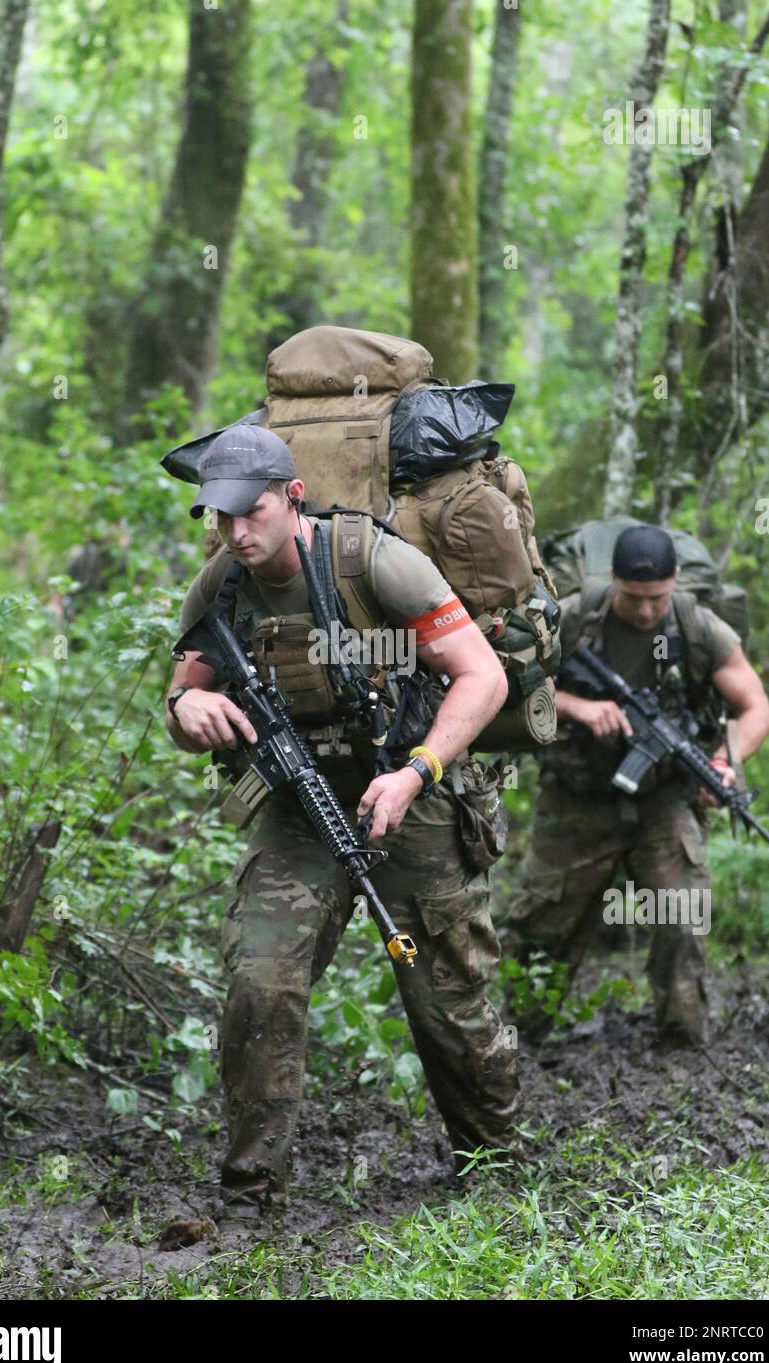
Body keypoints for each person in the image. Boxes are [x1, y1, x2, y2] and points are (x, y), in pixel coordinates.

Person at [165, 423, 520, 1228]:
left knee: (448, 993)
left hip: (412, 790)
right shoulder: (221, 583)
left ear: (291, 498)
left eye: (248, 514)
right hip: (300, 805)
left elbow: (482, 675)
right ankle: (251, 1192)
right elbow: (182, 693)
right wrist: (190, 706)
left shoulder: (372, 562)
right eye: (218, 519)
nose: (233, 533)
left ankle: (495, 1169)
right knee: (261, 978)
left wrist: (417, 770)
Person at [503, 523, 769, 1047]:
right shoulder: (577, 616)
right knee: (546, 920)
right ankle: (521, 1038)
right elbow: (510, 683)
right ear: (613, 581)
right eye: (634, 598)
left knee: (683, 910)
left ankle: (681, 1041)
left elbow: (755, 706)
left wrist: (723, 763)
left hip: (662, 798)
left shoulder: (697, 625)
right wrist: (579, 706)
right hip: (580, 795)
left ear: (674, 582)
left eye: (657, 598)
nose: (647, 611)